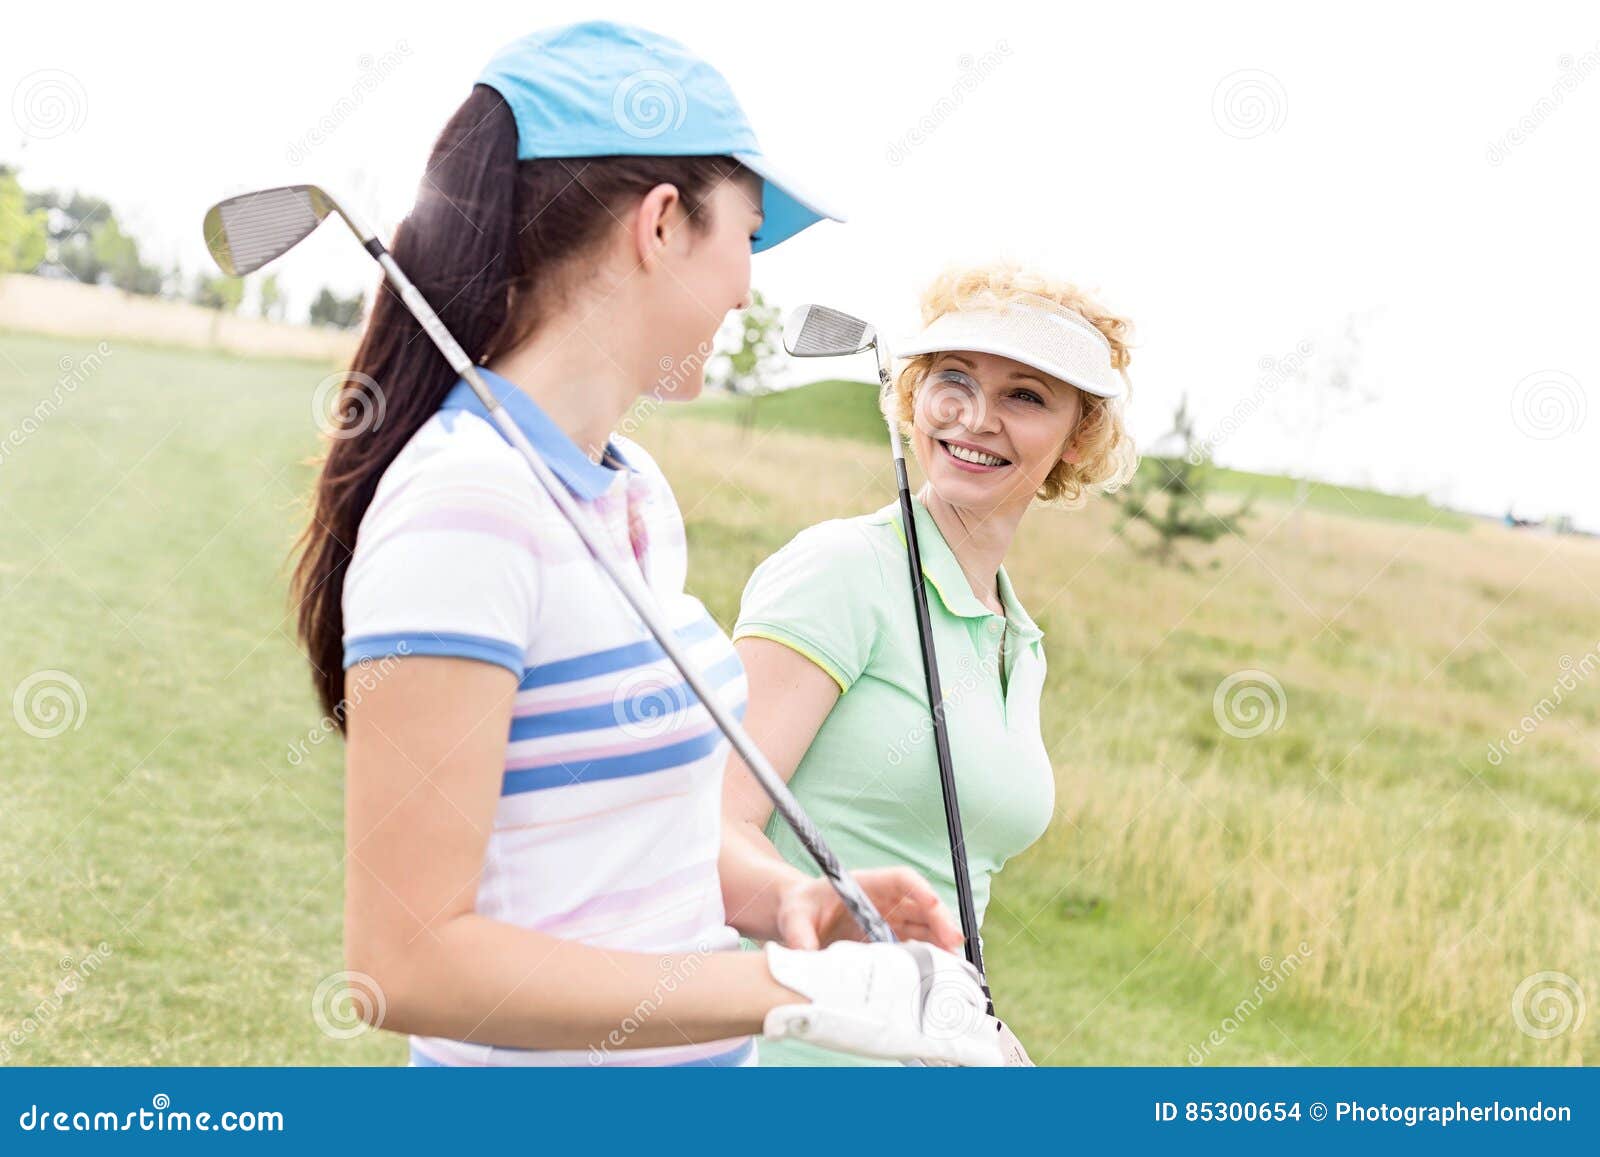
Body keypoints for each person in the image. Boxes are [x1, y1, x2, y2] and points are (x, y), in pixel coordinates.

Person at [298, 21, 998, 1067]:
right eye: (746, 239)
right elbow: (407, 963)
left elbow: (635, 824)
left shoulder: (631, 489)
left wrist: (789, 899)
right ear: (662, 224)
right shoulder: (464, 505)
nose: (745, 290)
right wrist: (783, 990)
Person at [722, 263, 1139, 1065]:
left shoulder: (1019, 638)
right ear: (913, 397)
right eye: (953, 379)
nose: (976, 418)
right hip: (789, 1058)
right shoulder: (842, 569)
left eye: (1025, 395)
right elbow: (714, 817)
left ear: (1078, 436)